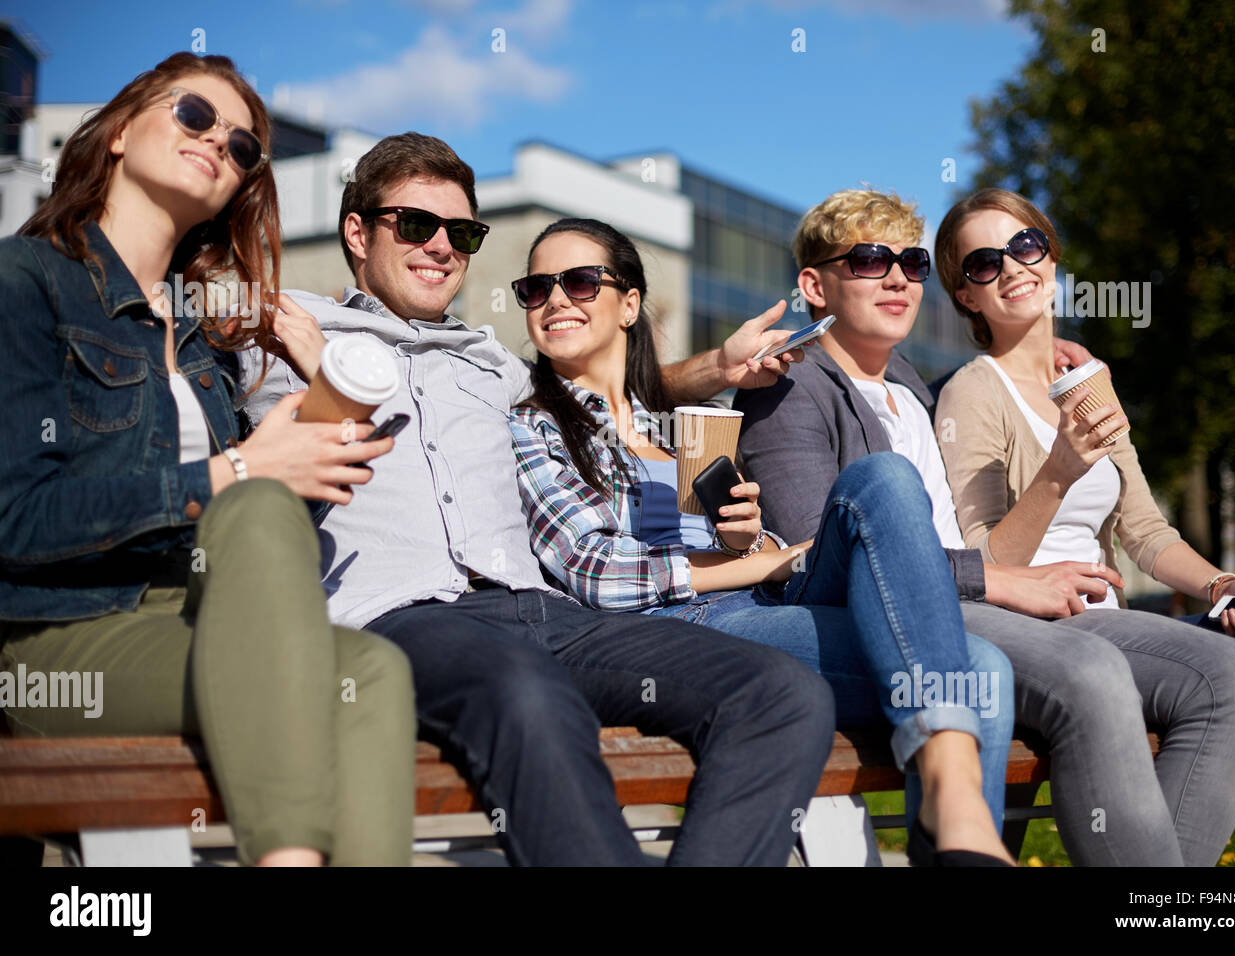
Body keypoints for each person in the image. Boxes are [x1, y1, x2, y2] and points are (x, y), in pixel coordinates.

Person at [238, 132, 837, 866]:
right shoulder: (285, 326)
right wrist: (318, 373)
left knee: (783, 693)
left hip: (547, 611)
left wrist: (719, 366)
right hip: (399, 619)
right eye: (416, 225)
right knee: (528, 692)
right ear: (357, 233)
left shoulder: (496, 368)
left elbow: (617, 390)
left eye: (461, 233)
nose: (441, 248)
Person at [735, 187, 1235, 866]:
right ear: (813, 286)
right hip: (932, 618)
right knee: (1088, 671)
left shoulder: (909, 385)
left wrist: (1223, 583)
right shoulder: (790, 388)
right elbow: (826, 558)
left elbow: (1144, 525)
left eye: (910, 262)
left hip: (1007, 606)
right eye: (872, 260)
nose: (899, 275)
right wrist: (1001, 575)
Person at [0, 53, 416, 866]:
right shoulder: (28, 282)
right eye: (195, 116)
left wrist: (318, 454)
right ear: (120, 131)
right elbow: (16, 519)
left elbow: (254, 524)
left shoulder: (204, 342)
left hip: (205, 618)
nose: (219, 143)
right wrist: (243, 474)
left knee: (371, 672)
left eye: (244, 147)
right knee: (254, 498)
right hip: (65, 636)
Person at [508, 217, 1016, 865]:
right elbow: (596, 572)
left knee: (882, 479)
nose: (555, 299)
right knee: (982, 672)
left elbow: (712, 544)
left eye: (579, 282)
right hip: (682, 629)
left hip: (757, 601)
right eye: (535, 288)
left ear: (628, 304)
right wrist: (749, 563)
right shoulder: (536, 424)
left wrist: (751, 538)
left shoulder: (671, 427)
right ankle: (961, 830)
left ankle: (956, 817)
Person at [932, 187, 1235, 704]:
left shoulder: (1087, 380)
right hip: (1052, 637)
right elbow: (982, 562)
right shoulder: (970, 392)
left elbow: (1145, 532)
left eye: (1025, 245)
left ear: (1051, 255)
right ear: (967, 296)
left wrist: (1222, 587)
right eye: (985, 263)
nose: (1012, 267)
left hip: (1120, 627)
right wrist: (1057, 474)